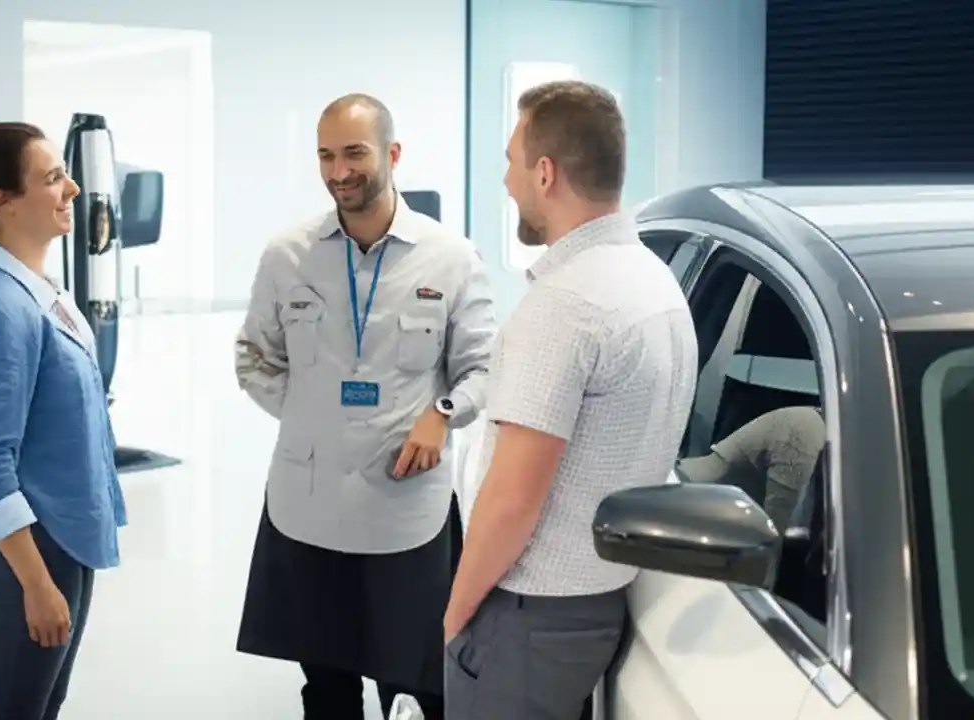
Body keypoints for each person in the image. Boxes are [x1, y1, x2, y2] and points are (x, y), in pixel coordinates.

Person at [234, 93, 498, 720]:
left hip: (404, 509)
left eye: (354, 152)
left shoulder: (451, 257)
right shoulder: (286, 255)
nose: (338, 171)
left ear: (392, 154)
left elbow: (485, 367)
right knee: (325, 688)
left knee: (426, 683)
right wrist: (306, 415)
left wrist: (442, 411)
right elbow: (254, 356)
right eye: (325, 155)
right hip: (309, 505)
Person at [441, 80, 698, 719]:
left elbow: (512, 501)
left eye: (511, 162)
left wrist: (456, 613)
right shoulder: (655, 281)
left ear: (546, 173)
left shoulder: (567, 306)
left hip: (526, 617)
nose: (506, 181)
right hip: (588, 607)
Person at [0, 121, 128, 720]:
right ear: (3, 201)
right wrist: (36, 586)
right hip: (28, 550)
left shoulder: (42, 289)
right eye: (52, 178)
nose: (72, 188)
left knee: (43, 704)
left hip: (63, 534)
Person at [678, 405, 826, 534]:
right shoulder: (807, 428)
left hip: (713, 523)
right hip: (685, 504)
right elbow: (775, 532)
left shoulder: (823, 432)